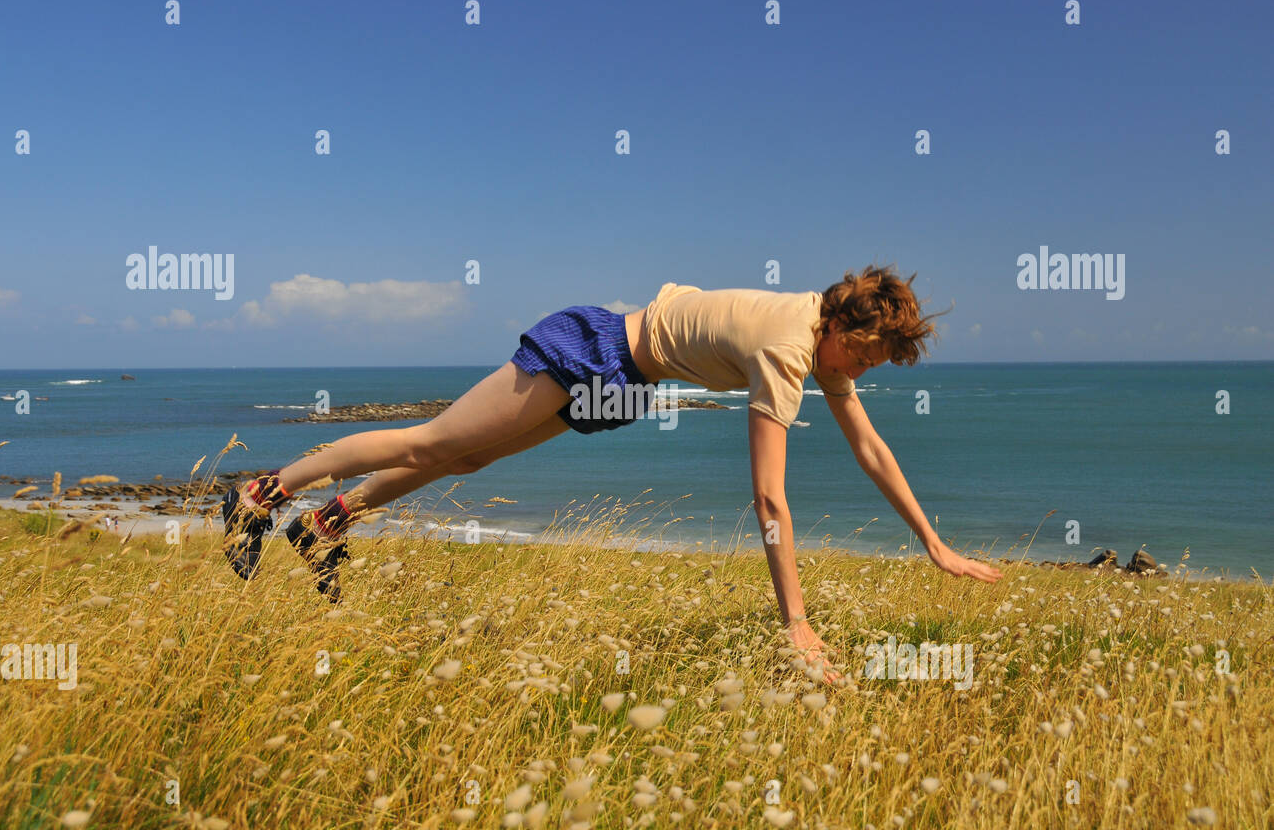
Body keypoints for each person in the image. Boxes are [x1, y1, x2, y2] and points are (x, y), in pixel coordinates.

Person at [221, 265, 1000, 682]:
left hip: (624, 379)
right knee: (432, 441)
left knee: (471, 455)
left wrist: (931, 541)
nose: (860, 371)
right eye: (860, 355)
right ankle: (261, 494)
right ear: (838, 324)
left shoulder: (817, 335)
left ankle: (324, 525)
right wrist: (795, 622)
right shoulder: (789, 348)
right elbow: (768, 494)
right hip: (593, 350)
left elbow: (870, 446)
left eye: (872, 364)